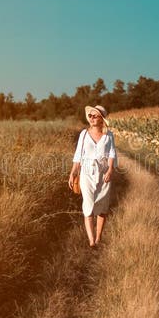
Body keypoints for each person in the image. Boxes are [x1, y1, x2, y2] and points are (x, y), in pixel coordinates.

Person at [69, 104, 117, 248]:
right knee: (88, 206)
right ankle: (91, 241)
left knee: (102, 207)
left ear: (101, 119)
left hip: (103, 175)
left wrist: (110, 170)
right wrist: (73, 173)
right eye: (90, 115)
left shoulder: (109, 135)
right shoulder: (84, 134)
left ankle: (98, 238)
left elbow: (112, 154)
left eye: (94, 115)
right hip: (87, 174)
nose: (91, 118)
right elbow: (78, 156)